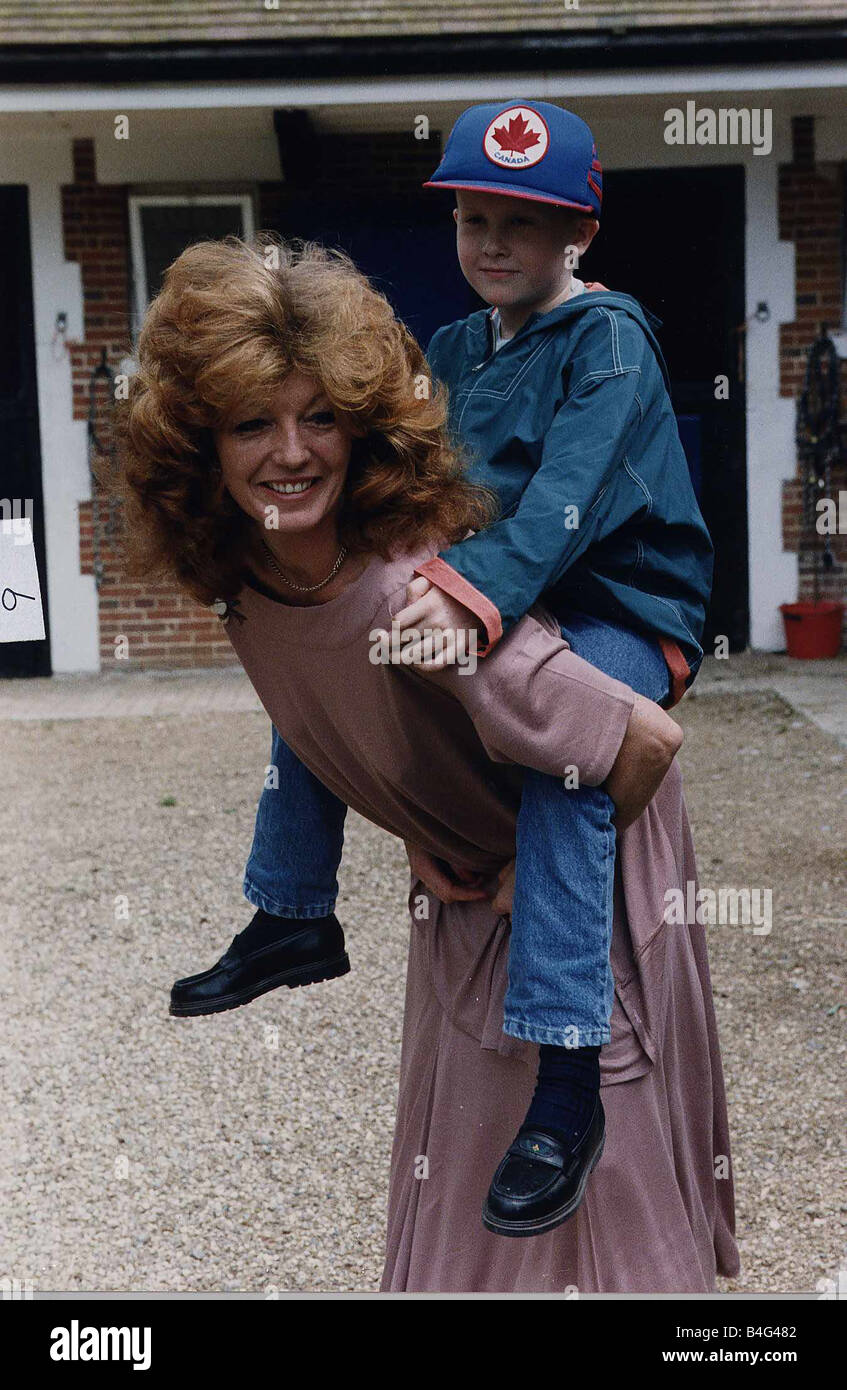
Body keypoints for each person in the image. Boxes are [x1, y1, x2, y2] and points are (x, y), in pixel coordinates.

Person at [118, 235, 738, 1289]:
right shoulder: (254, 578)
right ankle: (290, 919)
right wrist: (417, 826)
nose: (290, 453)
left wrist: (521, 875)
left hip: (575, 869)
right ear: (197, 444)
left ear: (362, 433)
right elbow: (347, 726)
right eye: (251, 423)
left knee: (591, 1177)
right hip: (464, 879)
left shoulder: (412, 594)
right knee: (466, 1172)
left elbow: (642, 742)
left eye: (320, 417)